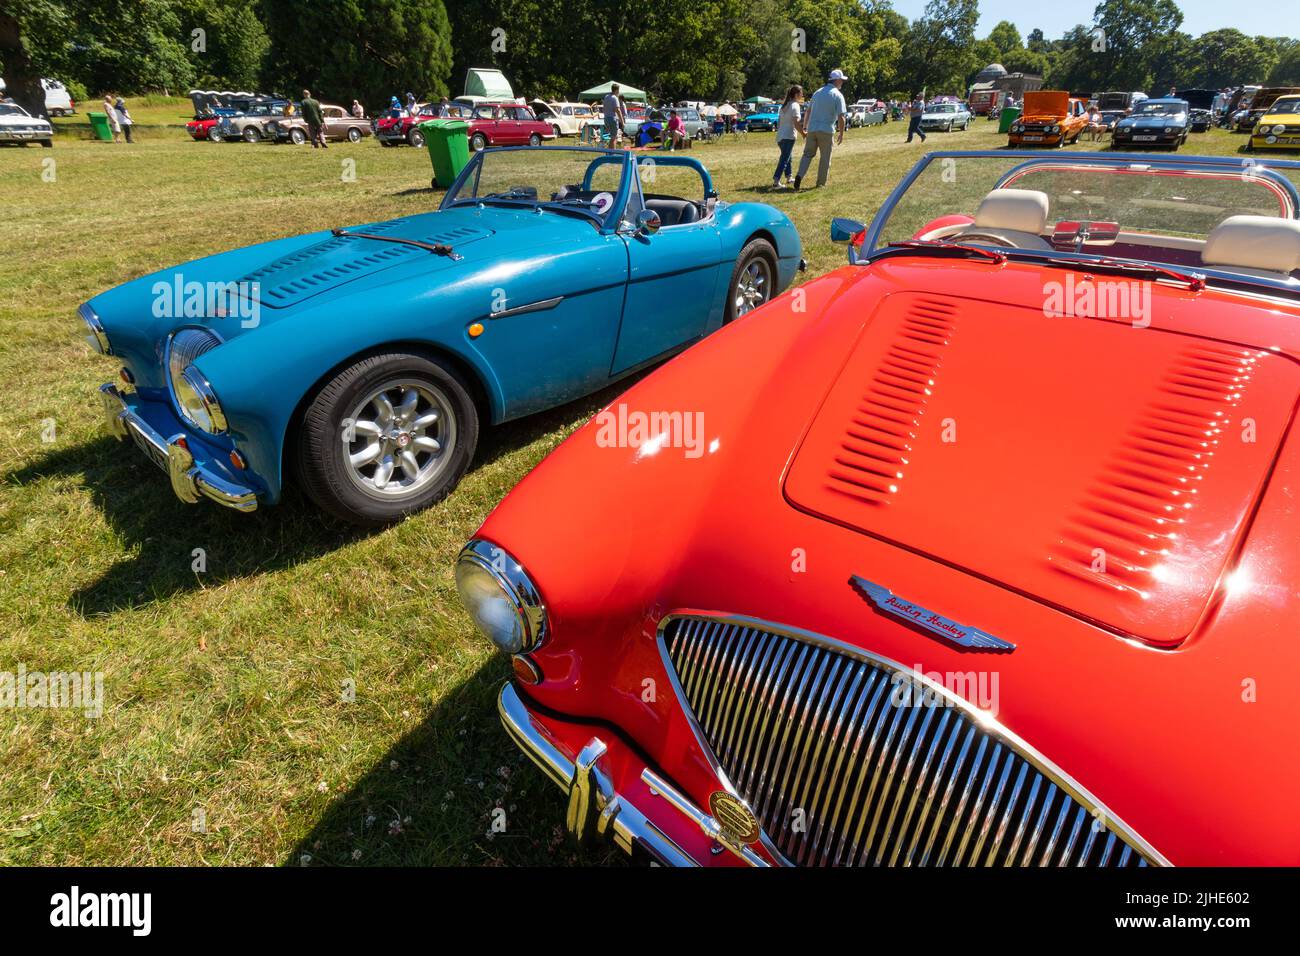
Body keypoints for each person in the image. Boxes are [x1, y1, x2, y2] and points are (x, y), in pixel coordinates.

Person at [793, 69, 848, 190]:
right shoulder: (838, 95)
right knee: (825, 158)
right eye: (842, 81)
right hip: (826, 130)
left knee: (807, 155)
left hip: (812, 129)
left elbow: (808, 111)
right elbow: (841, 116)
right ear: (837, 81)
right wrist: (842, 134)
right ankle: (820, 183)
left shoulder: (817, 92)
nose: (842, 83)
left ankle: (799, 176)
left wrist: (805, 127)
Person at [772, 84, 804, 189]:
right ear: (796, 94)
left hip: (780, 136)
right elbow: (796, 122)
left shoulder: (784, 106)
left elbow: (780, 123)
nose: (802, 95)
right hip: (788, 136)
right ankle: (776, 181)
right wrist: (803, 133)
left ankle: (789, 177)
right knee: (785, 159)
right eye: (801, 93)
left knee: (788, 157)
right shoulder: (795, 105)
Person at [602, 84, 625, 148]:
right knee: (614, 138)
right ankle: (612, 154)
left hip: (606, 118)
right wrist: (622, 122)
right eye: (618, 90)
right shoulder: (615, 98)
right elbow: (618, 110)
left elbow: (604, 108)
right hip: (612, 119)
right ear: (617, 90)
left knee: (612, 137)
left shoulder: (606, 97)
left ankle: (610, 153)